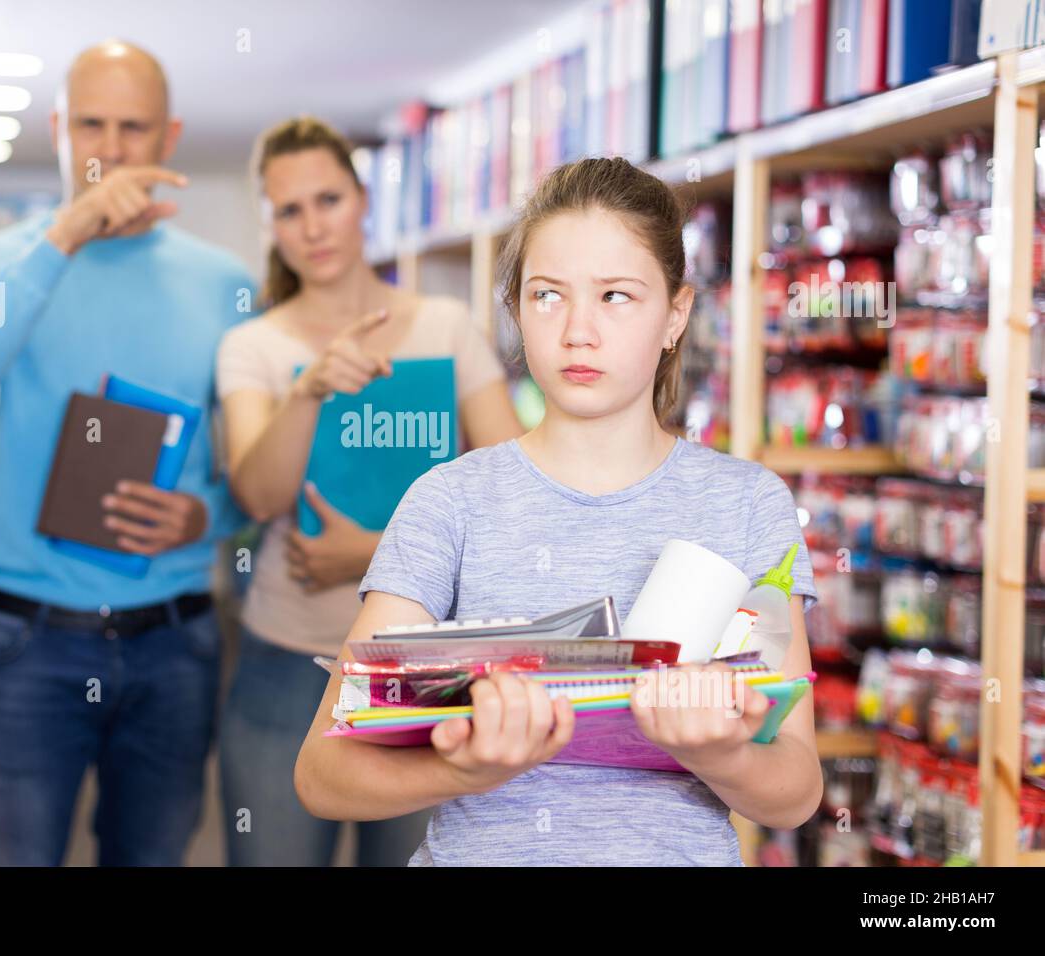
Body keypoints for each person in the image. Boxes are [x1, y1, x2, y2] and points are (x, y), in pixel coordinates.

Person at [294, 156, 823, 866]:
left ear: (676, 314)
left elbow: (794, 793)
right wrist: (462, 770)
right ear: (515, 310)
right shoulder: (449, 501)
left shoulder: (746, 503)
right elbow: (323, 775)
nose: (579, 330)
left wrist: (720, 750)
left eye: (617, 296)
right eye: (548, 296)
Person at [0, 40, 254, 866]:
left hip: (175, 640)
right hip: (21, 640)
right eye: (91, 123)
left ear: (168, 139)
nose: (112, 147)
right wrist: (61, 238)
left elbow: (258, 462)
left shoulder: (224, 282)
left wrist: (210, 512)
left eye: (133, 127)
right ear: (58, 129)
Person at [215, 116, 522, 865]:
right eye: (289, 210)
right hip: (287, 661)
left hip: (429, 666)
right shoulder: (252, 344)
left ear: (362, 200)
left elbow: (517, 490)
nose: (313, 226)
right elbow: (257, 496)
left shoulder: (446, 327)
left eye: (328, 200)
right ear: (270, 225)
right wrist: (310, 391)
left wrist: (370, 555)